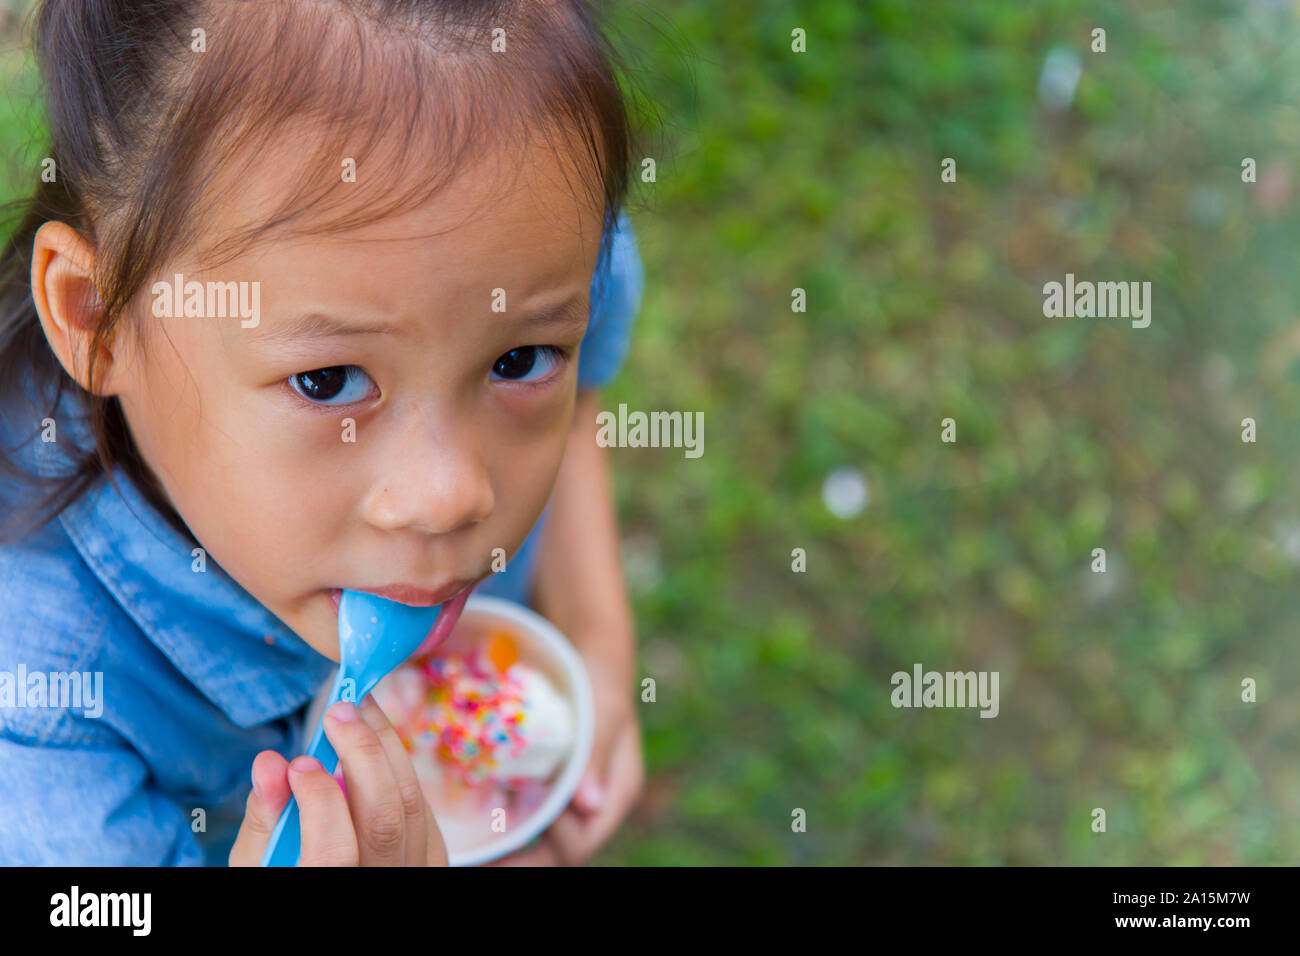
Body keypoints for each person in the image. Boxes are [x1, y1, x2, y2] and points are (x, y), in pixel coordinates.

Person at [0, 0, 644, 866]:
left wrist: (599, 645)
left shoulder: (521, 226)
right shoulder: (39, 732)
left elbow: (584, 394)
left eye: (520, 360)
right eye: (328, 382)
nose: (453, 497)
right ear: (99, 321)